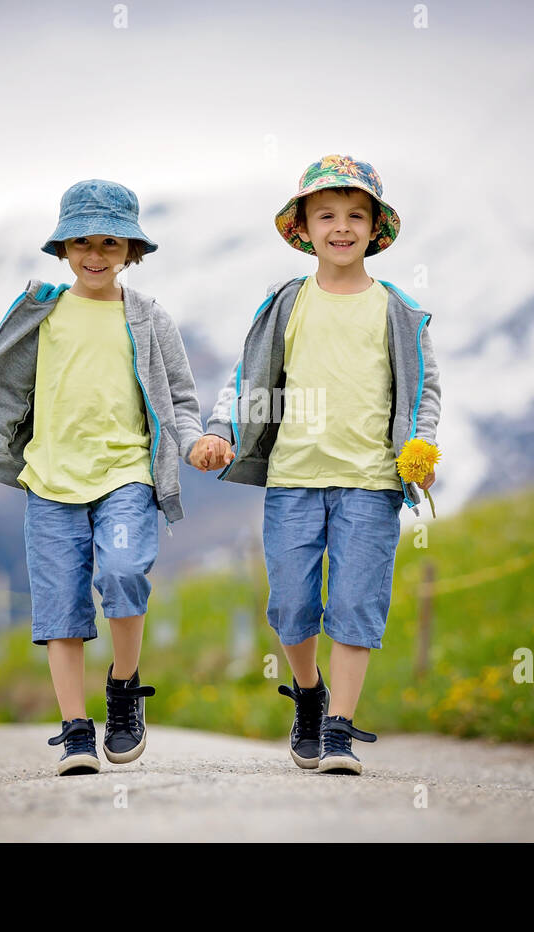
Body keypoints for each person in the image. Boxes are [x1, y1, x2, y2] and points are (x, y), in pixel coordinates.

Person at [0, 179, 208, 775]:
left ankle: (122, 691)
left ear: (131, 251)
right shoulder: (44, 314)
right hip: (51, 483)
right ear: (63, 248)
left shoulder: (148, 319)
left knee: (122, 575)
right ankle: (73, 730)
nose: (96, 255)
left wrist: (194, 446)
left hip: (127, 476)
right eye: (83, 242)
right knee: (60, 607)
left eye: (111, 243)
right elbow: (3, 394)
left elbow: (182, 399)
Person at [192, 154, 441, 774]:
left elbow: (424, 392)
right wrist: (222, 428)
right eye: (326, 214)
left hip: (371, 482)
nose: (341, 226)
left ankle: (339, 729)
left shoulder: (397, 311)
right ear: (303, 226)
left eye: (356, 215)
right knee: (292, 607)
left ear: (374, 228)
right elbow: (249, 378)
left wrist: (420, 447)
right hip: (295, 479)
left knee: (357, 604)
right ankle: (309, 692)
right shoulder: (287, 303)